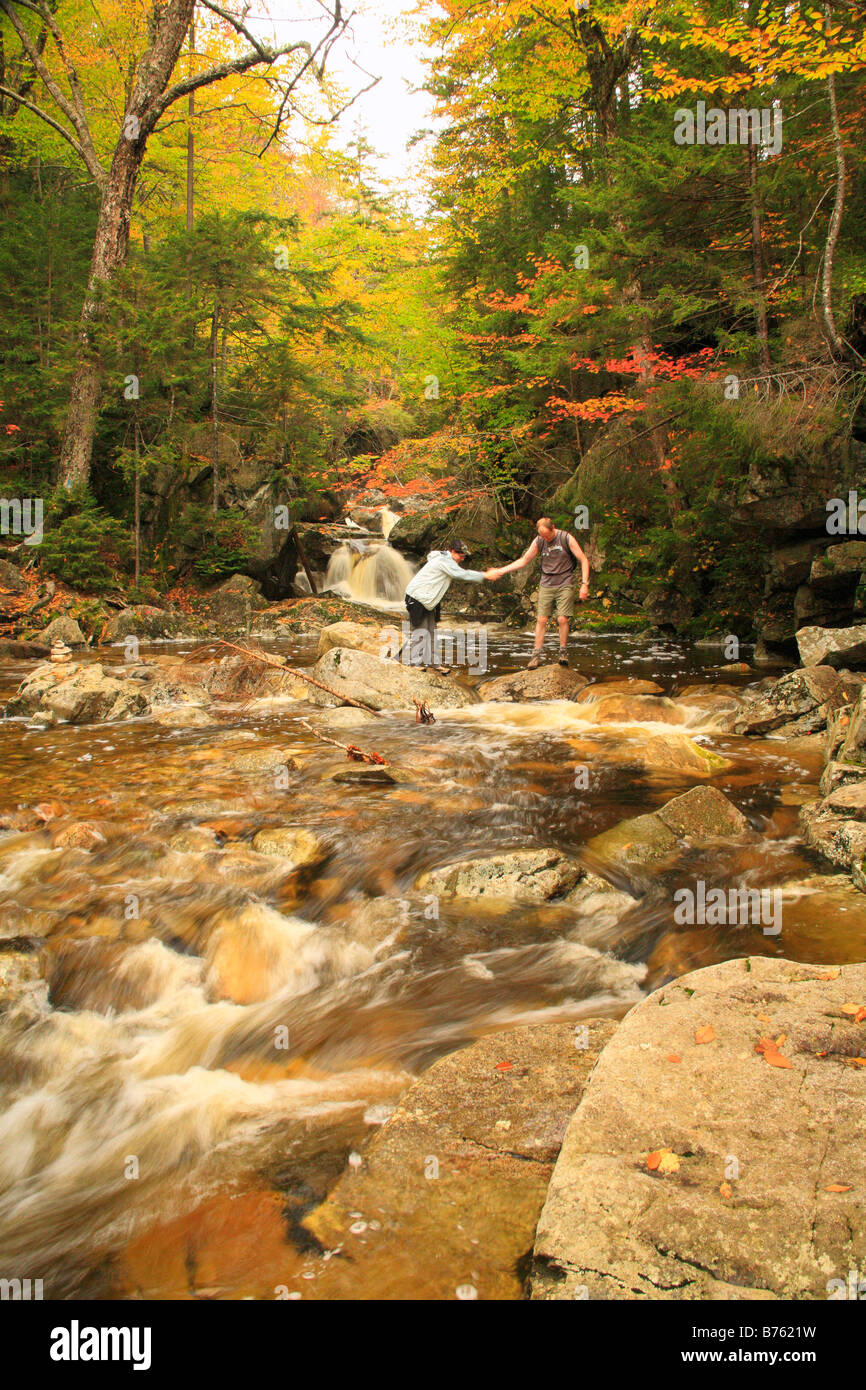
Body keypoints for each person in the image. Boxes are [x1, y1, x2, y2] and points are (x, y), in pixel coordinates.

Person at [489, 517, 590, 668]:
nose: (545, 539)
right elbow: (524, 561)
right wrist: (501, 570)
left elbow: (583, 559)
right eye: (542, 536)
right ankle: (536, 655)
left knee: (562, 619)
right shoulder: (539, 541)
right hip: (546, 583)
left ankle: (562, 652)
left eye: (547, 536)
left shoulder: (566, 538)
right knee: (541, 620)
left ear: (553, 528)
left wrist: (584, 584)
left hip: (565, 582)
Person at [399, 540, 497, 671]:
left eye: (464, 555)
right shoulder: (444, 561)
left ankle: (434, 663)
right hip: (418, 598)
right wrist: (485, 575)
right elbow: (462, 574)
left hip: (430, 600)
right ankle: (415, 663)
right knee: (421, 632)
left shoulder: (444, 558)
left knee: (432, 632)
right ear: (452, 551)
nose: (462, 557)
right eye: (460, 553)